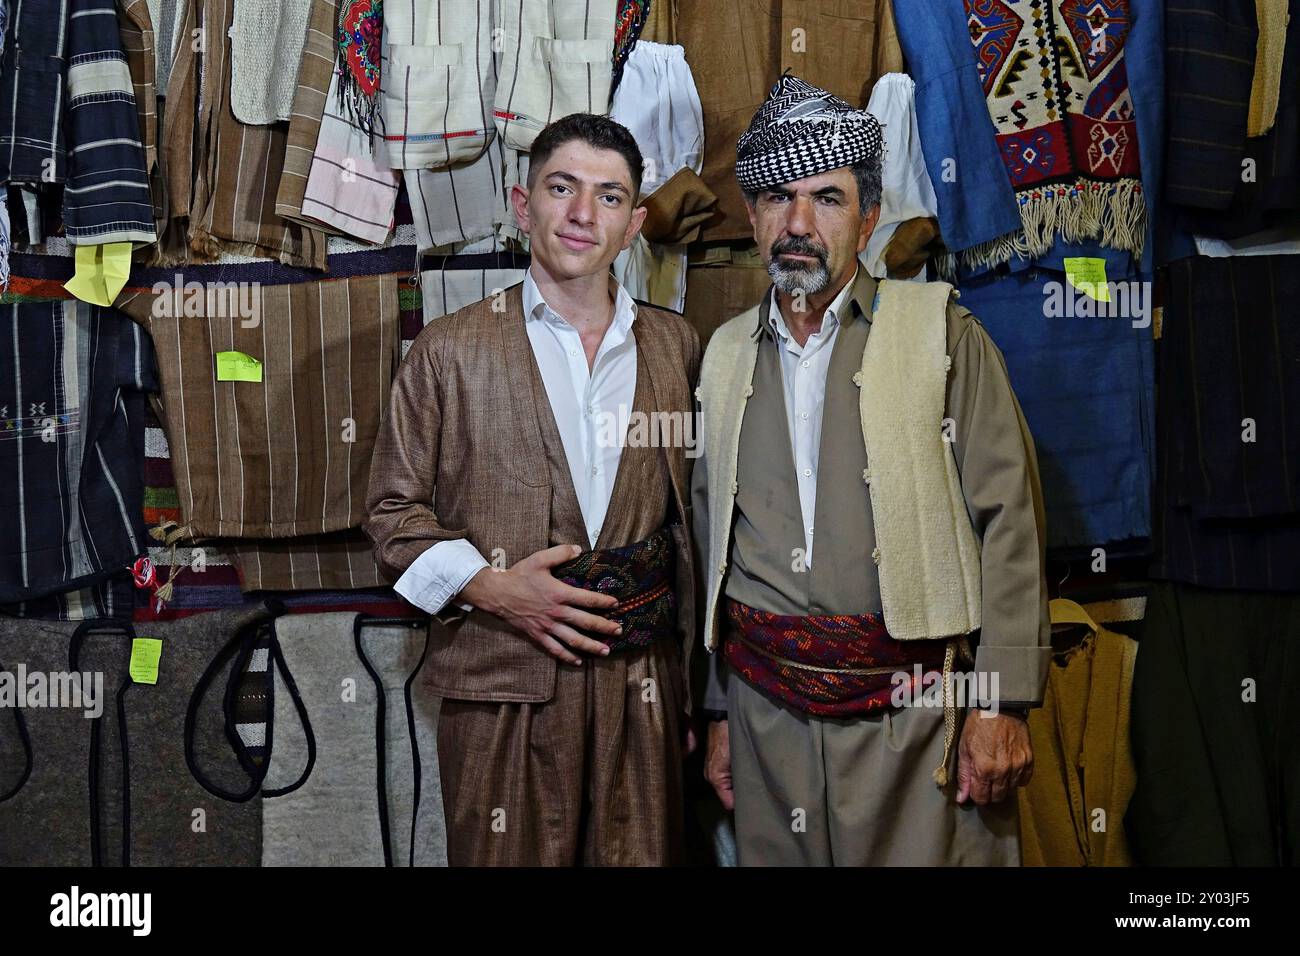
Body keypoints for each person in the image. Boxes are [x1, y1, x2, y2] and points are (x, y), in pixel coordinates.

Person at [693, 75, 1051, 865]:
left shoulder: (940, 333)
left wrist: (1002, 700)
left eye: (826, 198)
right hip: (765, 723)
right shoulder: (719, 359)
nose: (798, 223)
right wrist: (718, 713)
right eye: (777, 198)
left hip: (919, 722)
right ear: (751, 219)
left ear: (868, 218)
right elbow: (712, 550)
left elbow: (1011, 525)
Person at [364, 113, 701, 866]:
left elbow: (692, 525)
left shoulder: (676, 345)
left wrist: (690, 694)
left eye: (609, 197)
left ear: (635, 222)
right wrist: (491, 588)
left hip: (639, 679)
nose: (584, 215)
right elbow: (390, 514)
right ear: (524, 206)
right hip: (500, 683)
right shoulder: (449, 351)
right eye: (563, 188)